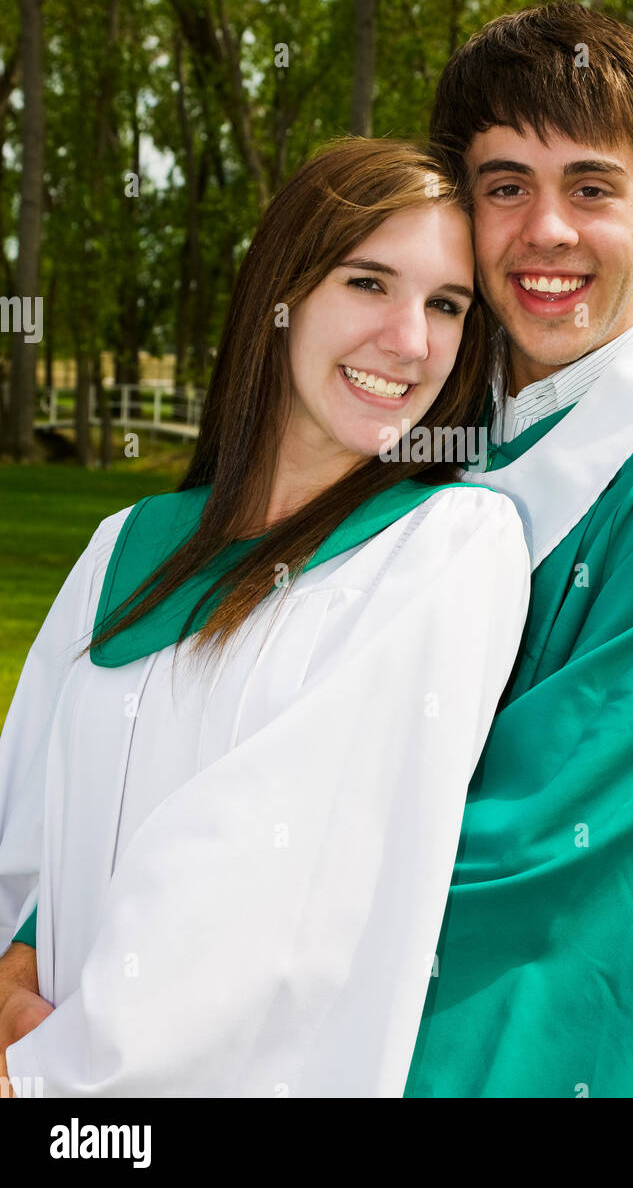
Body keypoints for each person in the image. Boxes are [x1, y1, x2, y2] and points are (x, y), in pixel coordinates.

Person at [5, 1, 633, 1099]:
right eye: (504, 186)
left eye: (590, 187)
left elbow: (545, 867)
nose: (544, 231)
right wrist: (37, 940)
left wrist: (116, 1036)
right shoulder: (414, 427)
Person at [0, 137, 531, 1097]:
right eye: (369, 283)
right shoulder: (126, 544)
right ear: (279, 297)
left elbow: (278, 877)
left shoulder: (451, 548)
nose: (410, 340)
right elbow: (27, 813)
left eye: (447, 305)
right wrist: (15, 961)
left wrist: (47, 1079)